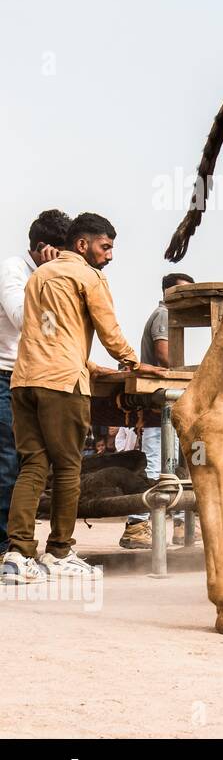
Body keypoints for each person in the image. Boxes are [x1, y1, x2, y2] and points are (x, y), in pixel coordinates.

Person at [1, 214, 164, 585]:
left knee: (32, 467)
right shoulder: (88, 276)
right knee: (68, 467)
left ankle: (18, 555)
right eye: (105, 247)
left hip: (23, 382)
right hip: (62, 385)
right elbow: (109, 329)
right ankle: (59, 551)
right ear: (82, 245)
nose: (109, 256)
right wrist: (132, 363)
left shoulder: (38, 276)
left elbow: (46, 335)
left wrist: (92, 366)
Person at [0, 209, 70, 554]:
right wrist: (48, 278)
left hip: (35, 377)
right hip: (5, 375)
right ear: (44, 248)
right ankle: (4, 546)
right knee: (10, 461)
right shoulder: (13, 271)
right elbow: (23, 319)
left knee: (37, 461)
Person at [123, 271, 195, 548]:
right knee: (155, 466)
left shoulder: (171, 317)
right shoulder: (164, 314)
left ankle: (178, 527)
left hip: (165, 404)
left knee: (173, 469)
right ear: (168, 293)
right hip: (157, 405)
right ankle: (136, 526)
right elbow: (165, 357)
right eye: (182, 292)